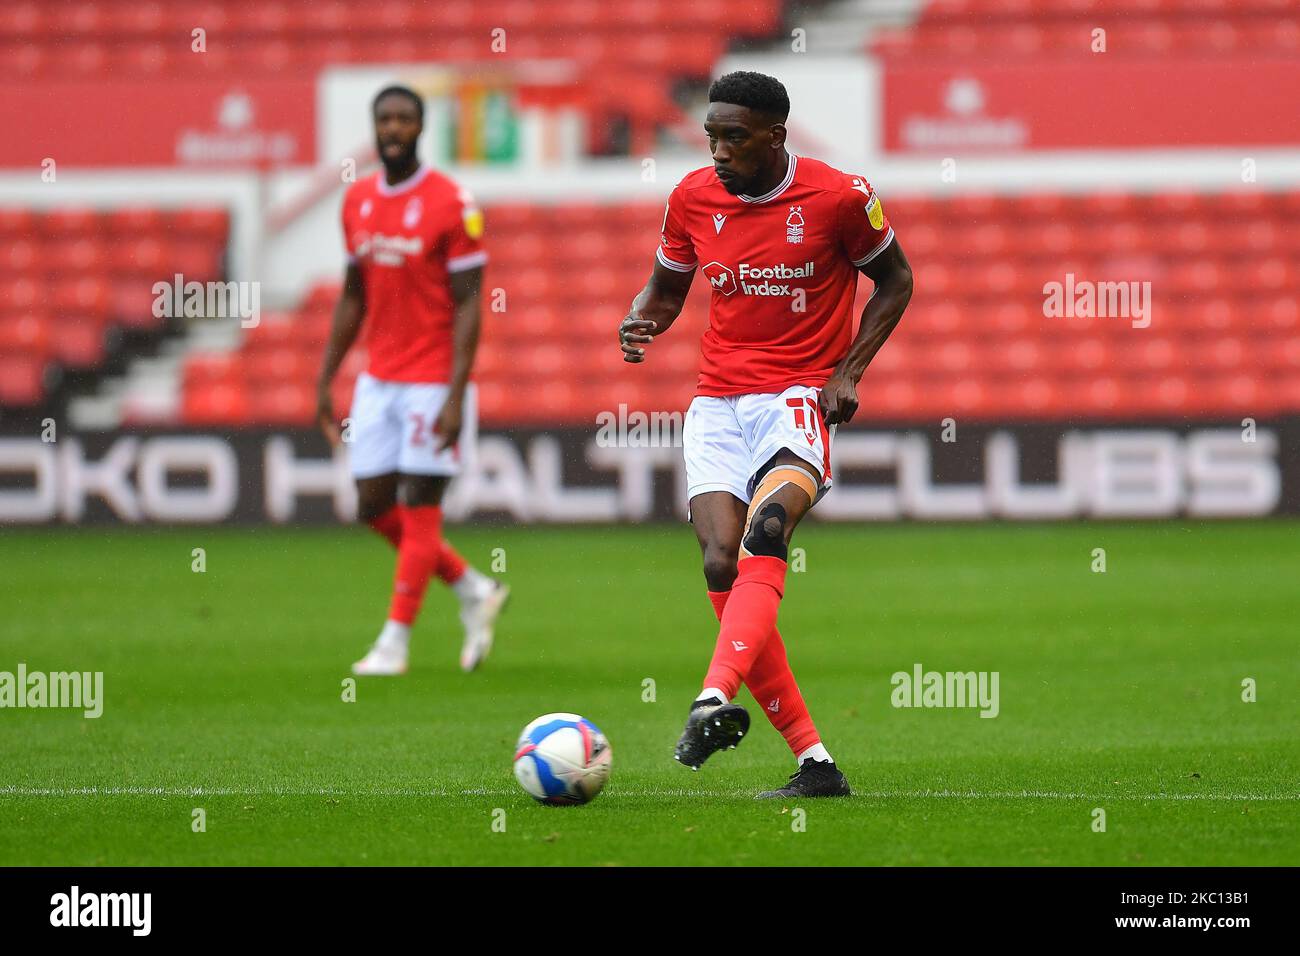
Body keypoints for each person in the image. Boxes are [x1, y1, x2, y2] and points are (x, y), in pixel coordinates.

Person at [618, 71, 914, 797]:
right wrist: (643, 322)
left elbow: (897, 280)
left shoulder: (840, 196)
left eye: (733, 137)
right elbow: (665, 290)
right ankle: (816, 765)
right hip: (718, 402)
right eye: (712, 134)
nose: (717, 149)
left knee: (767, 529)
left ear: (775, 136)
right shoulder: (690, 198)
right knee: (722, 562)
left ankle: (711, 699)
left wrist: (849, 371)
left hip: (795, 396)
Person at [318, 84, 508, 676]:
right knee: (372, 505)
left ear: (421, 127)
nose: (393, 128)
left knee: (420, 504)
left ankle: (394, 643)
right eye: (385, 119)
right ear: (374, 128)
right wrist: (325, 376)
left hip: (432, 379)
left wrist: (456, 392)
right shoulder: (357, 202)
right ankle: (472, 586)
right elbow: (354, 294)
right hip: (379, 378)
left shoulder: (452, 202)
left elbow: (471, 303)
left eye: (404, 118)